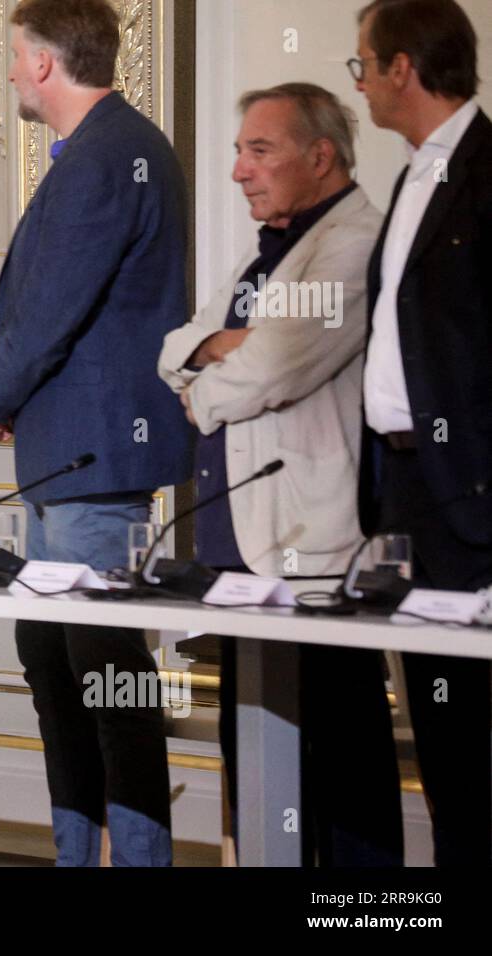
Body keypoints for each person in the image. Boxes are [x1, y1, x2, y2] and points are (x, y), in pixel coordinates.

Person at [0, 0, 192, 866]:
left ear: (48, 66)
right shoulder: (103, 152)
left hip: (97, 458)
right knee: (55, 655)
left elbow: (53, 309)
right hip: (69, 456)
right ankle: (79, 854)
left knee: (106, 669)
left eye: (17, 57)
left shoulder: (111, 157)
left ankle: (134, 860)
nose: (12, 72)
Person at [159, 83, 403, 865]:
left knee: (340, 759)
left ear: (320, 156)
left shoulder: (354, 241)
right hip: (238, 544)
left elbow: (269, 369)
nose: (239, 171)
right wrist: (220, 345)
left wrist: (225, 354)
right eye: (239, 150)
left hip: (314, 544)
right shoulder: (268, 246)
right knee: (254, 747)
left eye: (259, 150)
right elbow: (176, 344)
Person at [351, 0, 492, 866]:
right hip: (406, 491)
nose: (359, 81)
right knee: (440, 728)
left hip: (473, 493)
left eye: (361, 63)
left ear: (403, 67)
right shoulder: (411, 173)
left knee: (474, 730)